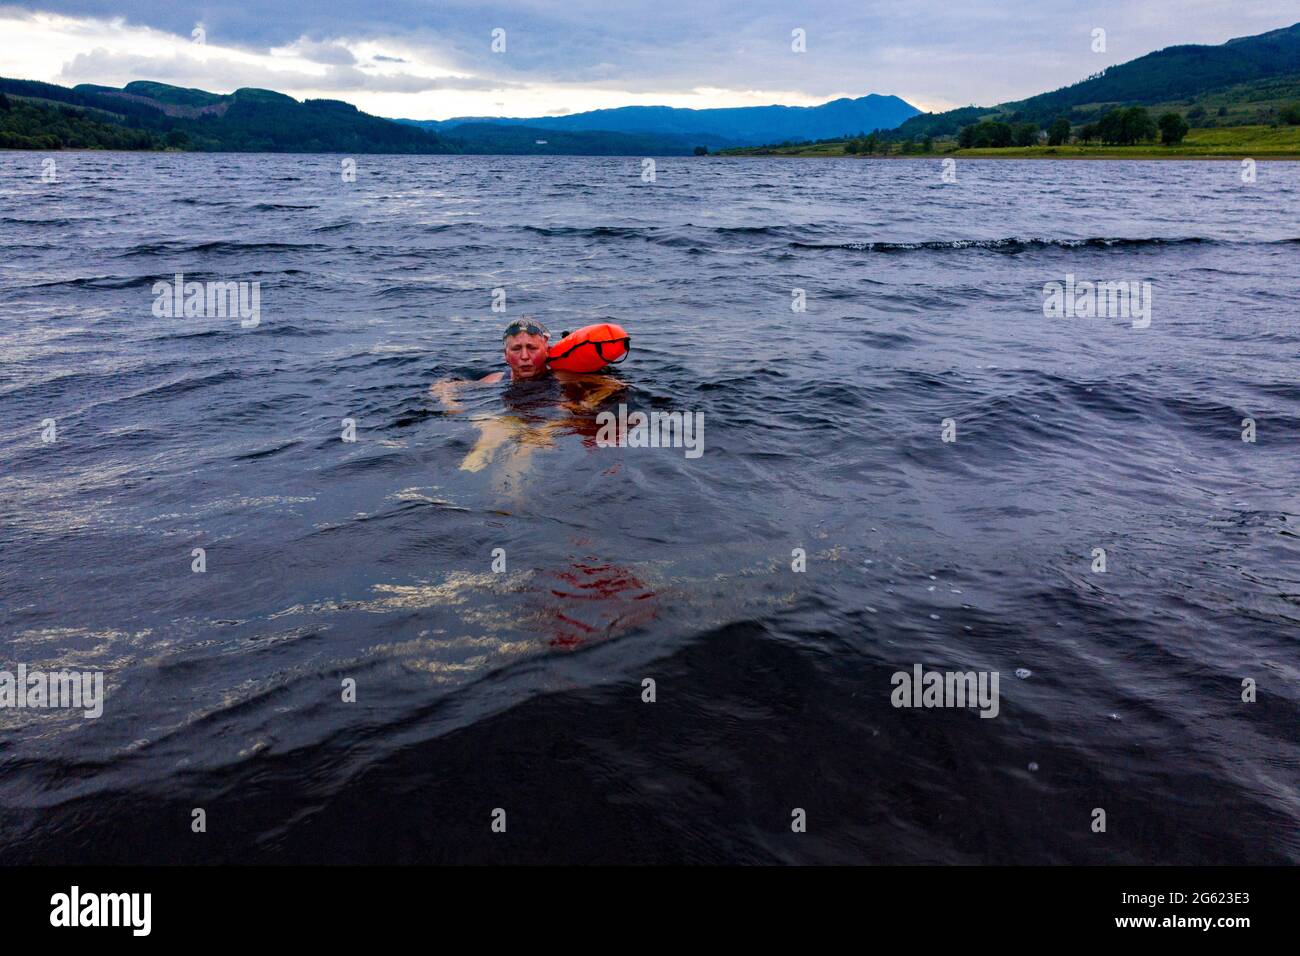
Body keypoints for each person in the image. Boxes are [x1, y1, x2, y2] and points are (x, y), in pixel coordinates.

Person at [430, 318, 626, 484]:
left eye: (532, 348)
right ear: (506, 355)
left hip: (549, 424)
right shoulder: (497, 378)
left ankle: (510, 496)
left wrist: (582, 404)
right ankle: (466, 477)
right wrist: (450, 403)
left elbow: (613, 385)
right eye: (517, 349)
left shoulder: (563, 377)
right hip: (506, 420)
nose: (524, 356)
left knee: (524, 448)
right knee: (491, 428)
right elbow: (444, 385)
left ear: (546, 350)